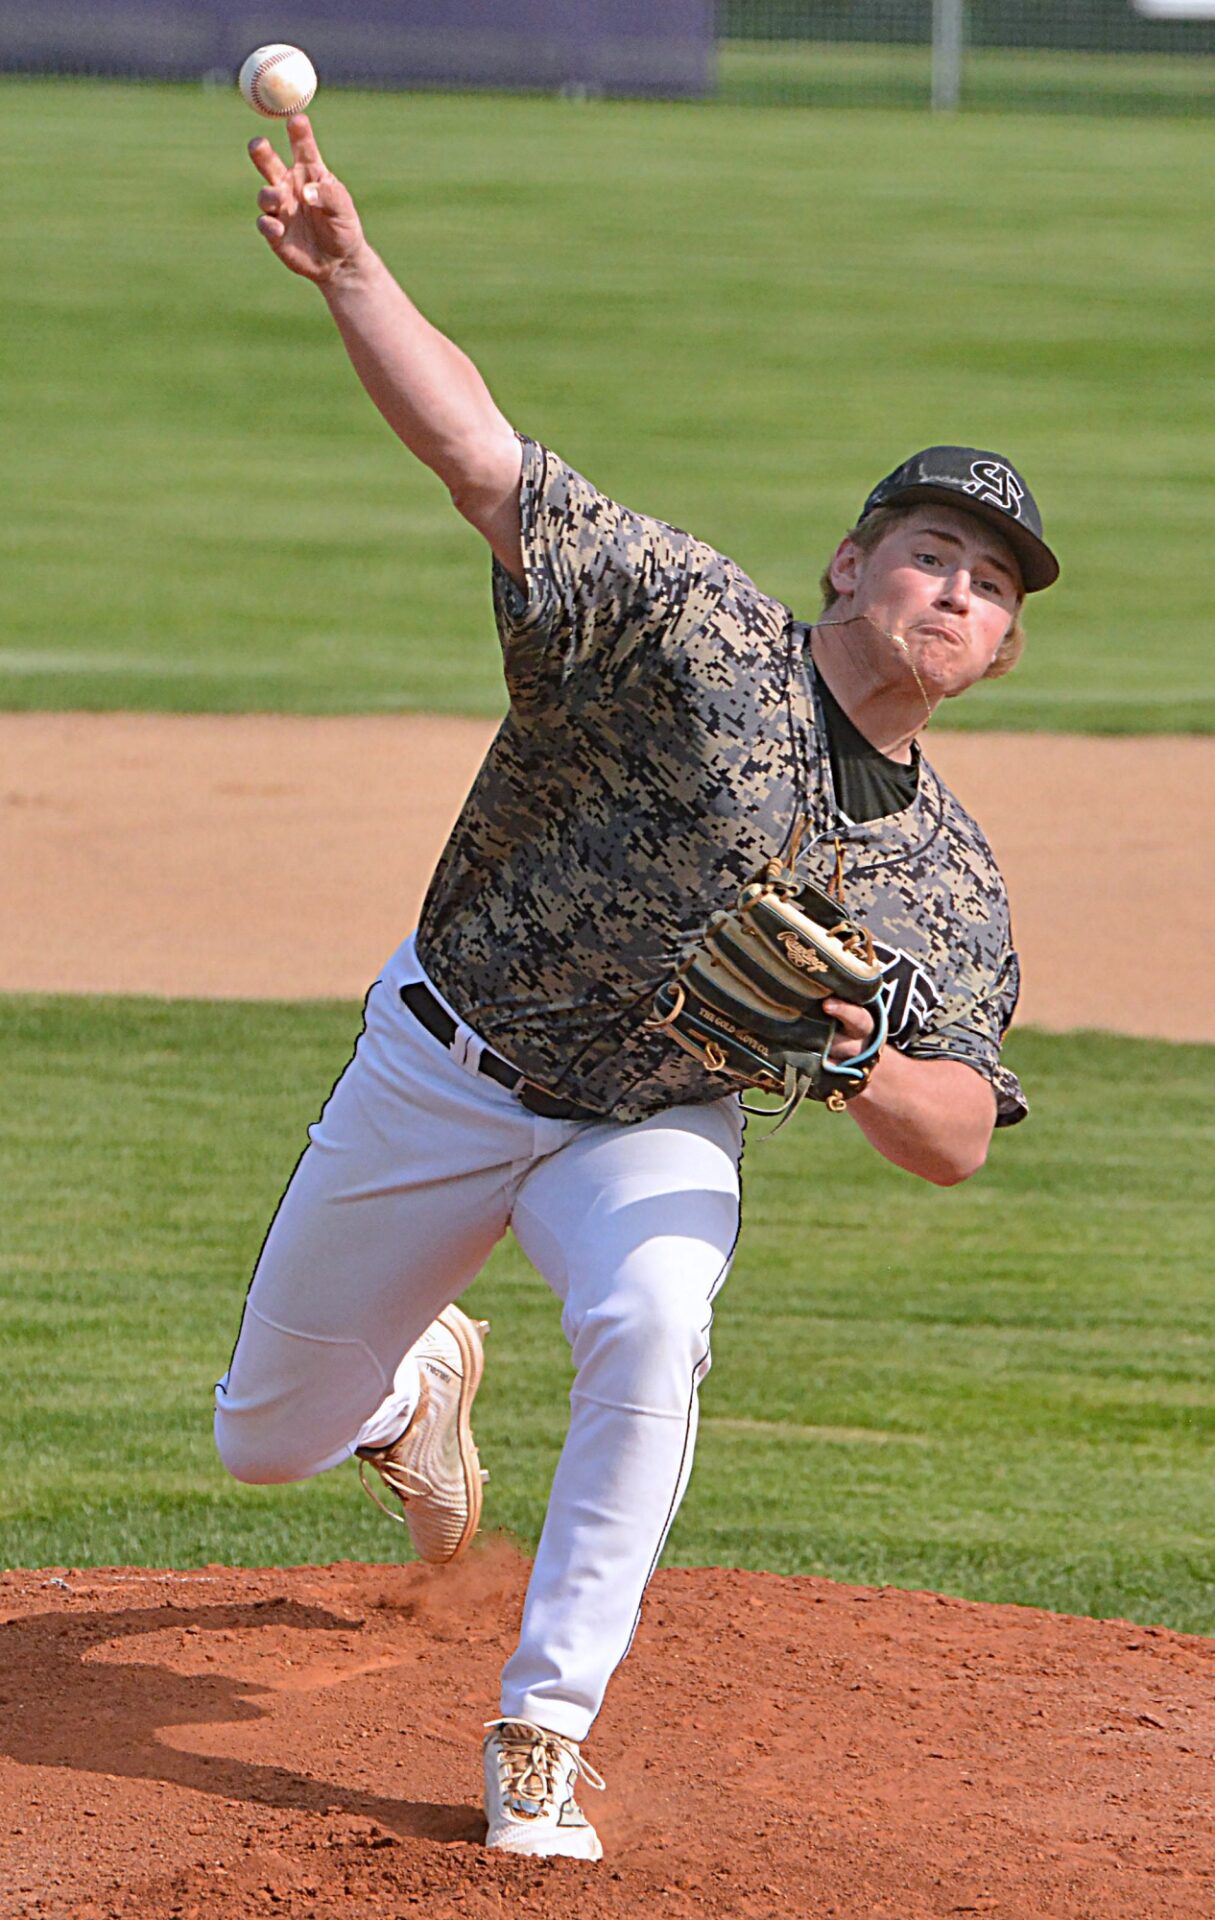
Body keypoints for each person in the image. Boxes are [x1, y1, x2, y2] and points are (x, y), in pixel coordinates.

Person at [214, 114, 1058, 1862]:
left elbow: (959, 1133)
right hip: (445, 1063)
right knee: (266, 1444)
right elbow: (484, 463)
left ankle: (544, 1729)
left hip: (649, 1127)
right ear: (851, 565)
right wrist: (351, 270)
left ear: (1000, 649)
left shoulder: (950, 878)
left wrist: (854, 1059)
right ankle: (410, 1397)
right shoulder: (688, 624)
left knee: (657, 1317)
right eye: (930, 552)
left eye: (988, 588)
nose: (955, 590)